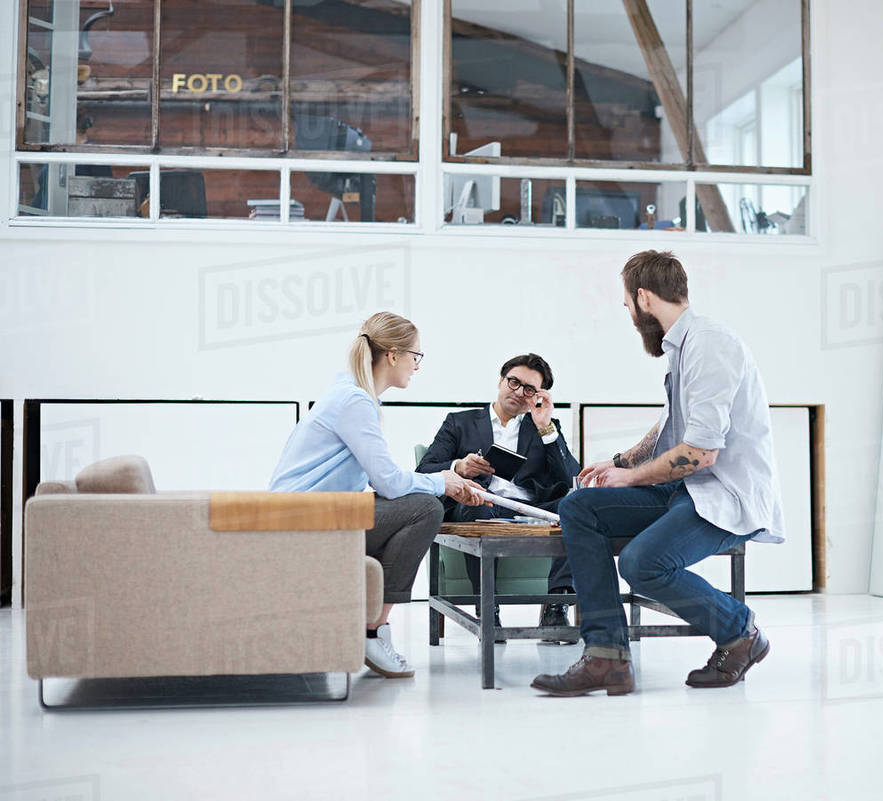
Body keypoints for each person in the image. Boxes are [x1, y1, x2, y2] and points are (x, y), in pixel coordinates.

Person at [531, 250, 785, 696]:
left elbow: (702, 452)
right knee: (580, 506)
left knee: (642, 562)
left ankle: (740, 632)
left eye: (627, 304)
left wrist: (630, 478)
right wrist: (621, 462)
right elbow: (669, 425)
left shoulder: (710, 344)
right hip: (685, 489)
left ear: (644, 297)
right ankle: (606, 655)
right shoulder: (683, 348)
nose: (629, 315)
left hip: (724, 494)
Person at [270, 312, 487, 679]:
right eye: (416, 356)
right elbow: (389, 483)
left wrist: (446, 481)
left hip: (314, 514)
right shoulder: (354, 401)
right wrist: (443, 482)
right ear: (392, 355)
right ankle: (372, 631)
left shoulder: (352, 397)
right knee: (424, 508)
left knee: (415, 505)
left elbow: (382, 481)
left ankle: (371, 625)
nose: (417, 366)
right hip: (305, 521)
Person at [416, 354, 581, 643]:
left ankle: (556, 606)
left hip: (530, 508)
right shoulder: (460, 422)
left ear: (538, 396)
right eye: (514, 382)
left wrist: (545, 427)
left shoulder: (544, 426)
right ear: (501, 381)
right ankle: (488, 609)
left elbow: (570, 477)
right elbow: (423, 471)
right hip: (478, 504)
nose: (518, 392)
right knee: (477, 506)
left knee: (577, 508)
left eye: (528, 389)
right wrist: (459, 467)